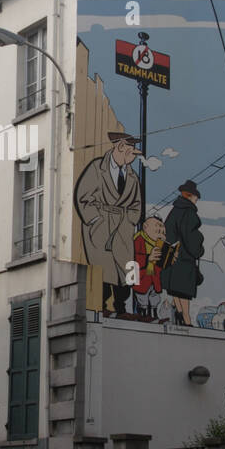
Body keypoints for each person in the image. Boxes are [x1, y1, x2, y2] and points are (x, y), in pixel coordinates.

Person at [75, 132, 144, 316]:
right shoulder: (97, 168)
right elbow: (83, 197)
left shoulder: (132, 177)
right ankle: (104, 307)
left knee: (127, 268)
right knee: (103, 269)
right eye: (130, 152)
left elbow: (137, 205)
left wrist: (130, 221)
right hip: (101, 228)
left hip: (123, 228)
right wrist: (95, 219)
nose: (132, 157)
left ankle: (123, 308)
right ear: (120, 147)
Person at [160, 180, 204, 326]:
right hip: (184, 259)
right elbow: (191, 237)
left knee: (176, 290)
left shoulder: (174, 211)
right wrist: (199, 249)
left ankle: (179, 314)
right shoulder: (188, 212)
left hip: (171, 258)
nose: (196, 201)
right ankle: (186, 319)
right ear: (189, 196)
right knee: (183, 291)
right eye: (195, 198)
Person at [132, 215, 167, 319]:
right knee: (142, 298)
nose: (160, 233)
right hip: (142, 277)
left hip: (154, 278)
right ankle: (143, 314)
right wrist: (148, 258)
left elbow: (162, 264)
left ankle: (154, 315)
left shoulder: (160, 244)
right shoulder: (139, 240)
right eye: (157, 230)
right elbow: (134, 259)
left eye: (162, 232)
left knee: (154, 297)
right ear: (145, 227)